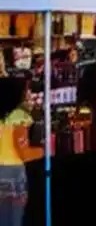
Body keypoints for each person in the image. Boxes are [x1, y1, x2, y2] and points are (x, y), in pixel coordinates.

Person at [0, 78, 41, 226]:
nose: (28, 94)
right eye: (26, 91)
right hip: (13, 172)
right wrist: (44, 151)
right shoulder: (20, 116)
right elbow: (23, 152)